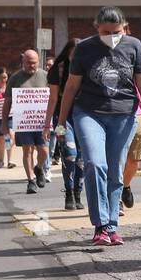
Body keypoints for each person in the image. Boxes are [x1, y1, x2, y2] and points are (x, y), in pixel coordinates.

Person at [51, 7, 141, 246]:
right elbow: (70, 87)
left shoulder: (133, 45)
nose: (112, 36)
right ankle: (100, 226)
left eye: (116, 31)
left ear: (124, 27)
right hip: (88, 113)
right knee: (95, 164)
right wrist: (59, 123)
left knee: (115, 171)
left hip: (123, 115)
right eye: (106, 31)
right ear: (96, 27)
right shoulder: (85, 49)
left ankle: (112, 225)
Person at [1, 49, 50, 194]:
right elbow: (7, 102)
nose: (31, 66)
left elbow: (53, 97)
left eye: (34, 63)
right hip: (24, 121)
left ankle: (39, 167)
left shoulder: (45, 76)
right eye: (28, 63)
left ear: (38, 62)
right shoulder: (15, 78)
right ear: (23, 62)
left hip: (41, 121)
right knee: (27, 150)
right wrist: (4, 123)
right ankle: (31, 181)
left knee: (44, 150)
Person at [45, 38, 84, 212]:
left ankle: (78, 193)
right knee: (69, 153)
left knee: (82, 159)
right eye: (74, 52)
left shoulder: (87, 67)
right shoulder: (57, 70)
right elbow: (53, 98)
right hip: (61, 119)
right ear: (68, 52)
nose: (76, 55)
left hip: (84, 118)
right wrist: (47, 125)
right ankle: (68, 191)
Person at [119, 21, 141, 214]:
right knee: (115, 159)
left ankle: (125, 186)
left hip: (135, 111)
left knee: (134, 160)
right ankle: (115, 199)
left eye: (119, 30)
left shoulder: (135, 50)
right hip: (111, 112)